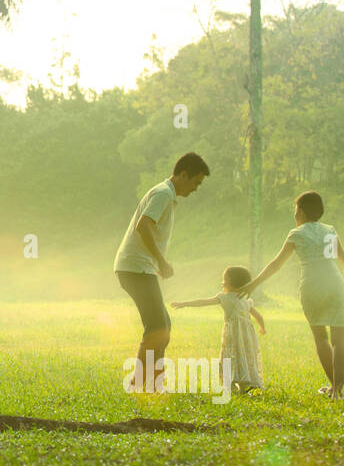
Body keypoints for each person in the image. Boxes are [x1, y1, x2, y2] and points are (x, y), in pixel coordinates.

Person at [240, 191, 344, 400]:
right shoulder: (330, 231)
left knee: (321, 338)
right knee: (340, 341)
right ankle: (337, 390)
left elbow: (276, 264)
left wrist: (253, 284)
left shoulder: (296, 234)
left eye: (295, 210)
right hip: (334, 283)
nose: (294, 215)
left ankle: (333, 389)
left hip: (311, 286)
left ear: (301, 211)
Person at [113, 152, 210, 392]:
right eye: (195, 182)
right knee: (158, 325)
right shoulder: (163, 194)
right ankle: (141, 383)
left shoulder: (166, 194)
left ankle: (152, 382)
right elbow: (143, 225)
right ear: (183, 175)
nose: (196, 189)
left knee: (161, 324)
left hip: (138, 267)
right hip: (135, 267)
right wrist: (161, 261)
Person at [171, 265, 266, 394]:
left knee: (229, 356)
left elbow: (203, 302)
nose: (222, 283)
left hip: (232, 335)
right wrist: (262, 327)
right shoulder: (246, 300)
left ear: (231, 283)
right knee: (244, 355)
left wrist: (184, 304)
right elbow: (258, 316)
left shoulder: (225, 297)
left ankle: (230, 384)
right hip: (247, 337)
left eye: (224, 280)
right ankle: (244, 383)